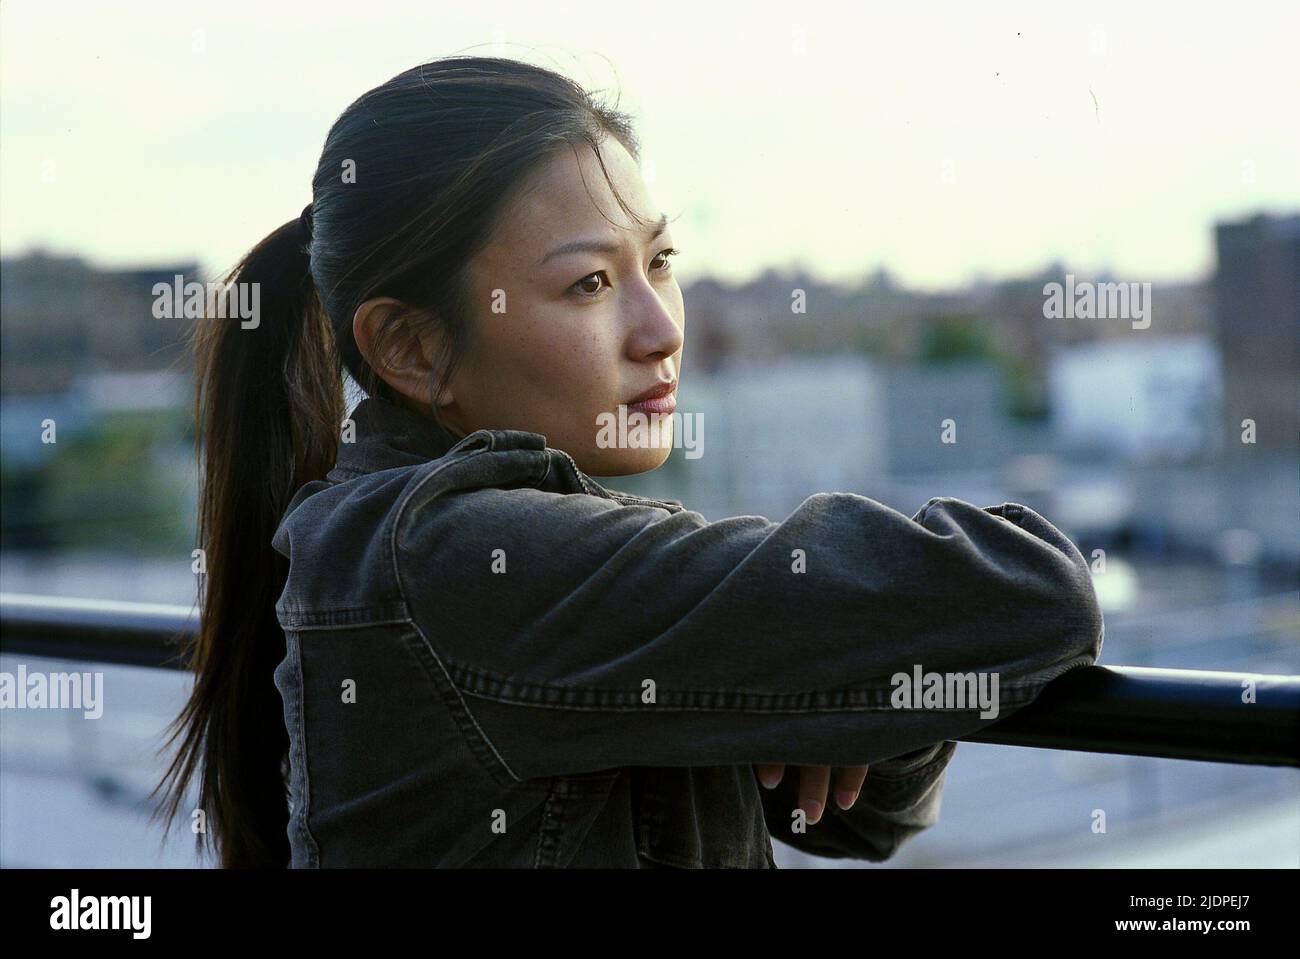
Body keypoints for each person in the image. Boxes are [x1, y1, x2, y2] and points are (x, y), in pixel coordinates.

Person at [154, 55, 1105, 868]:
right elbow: (1035, 595)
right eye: (589, 283)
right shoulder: (462, 555)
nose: (660, 331)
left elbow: (863, 819)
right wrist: (839, 649)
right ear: (410, 347)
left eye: (660, 260)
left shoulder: (446, 539)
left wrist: (840, 682)